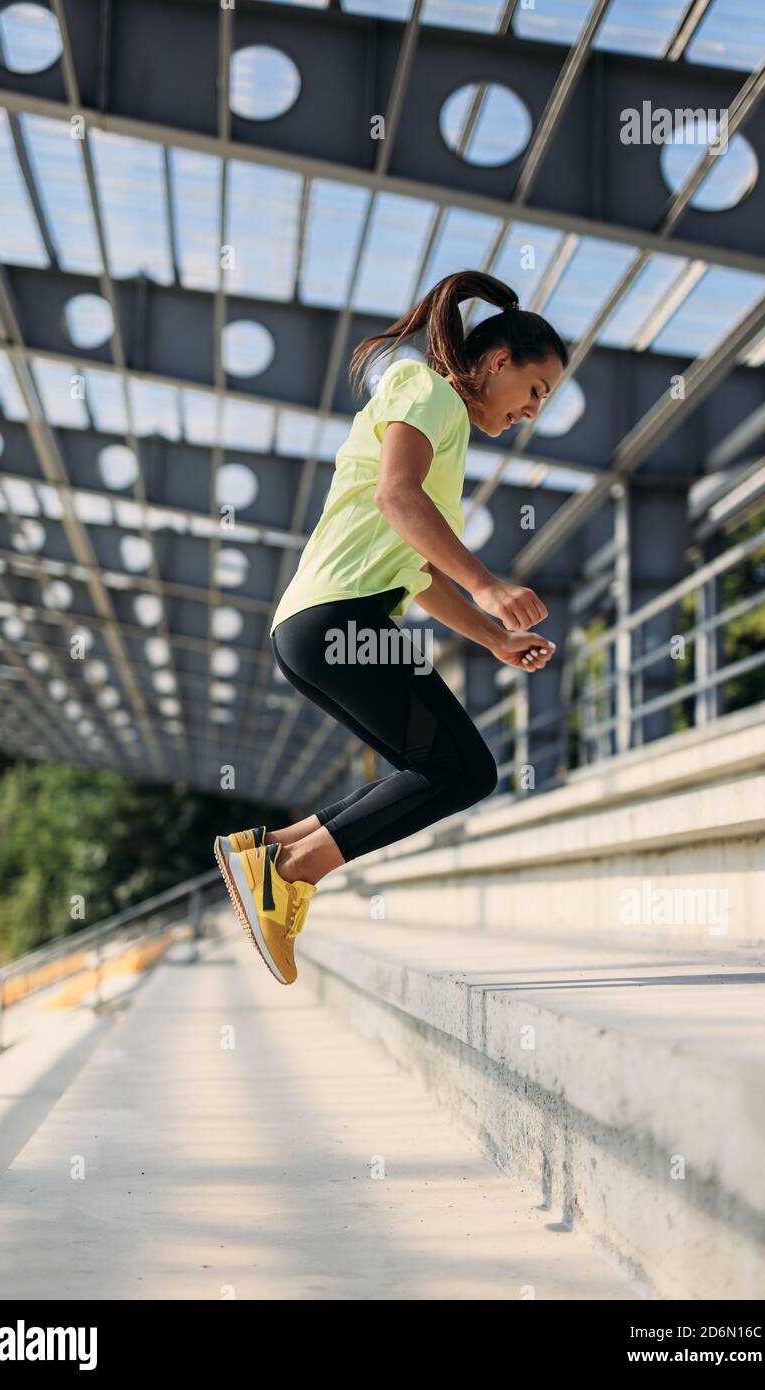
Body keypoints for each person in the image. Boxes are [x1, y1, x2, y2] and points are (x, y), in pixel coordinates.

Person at [215, 269, 568, 984]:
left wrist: (493, 635)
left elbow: (421, 571)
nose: (533, 410)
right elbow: (396, 498)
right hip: (338, 616)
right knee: (462, 770)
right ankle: (289, 872)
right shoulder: (423, 388)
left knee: (437, 768)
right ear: (497, 363)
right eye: (536, 389)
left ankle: (266, 847)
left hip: (332, 623)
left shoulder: (446, 433)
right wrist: (492, 585)